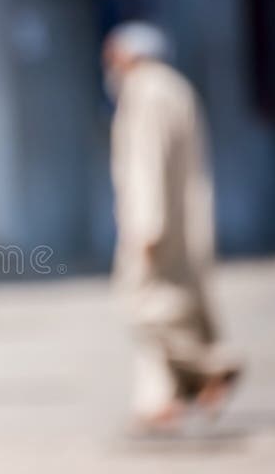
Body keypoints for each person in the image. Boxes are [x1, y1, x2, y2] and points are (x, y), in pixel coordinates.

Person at [103, 22, 241, 431]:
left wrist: (146, 224)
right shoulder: (175, 88)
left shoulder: (147, 92)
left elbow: (148, 163)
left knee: (146, 308)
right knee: (173, 307)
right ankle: (159, 401)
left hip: (156, 224)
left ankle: (210, 367)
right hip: (181, 221)